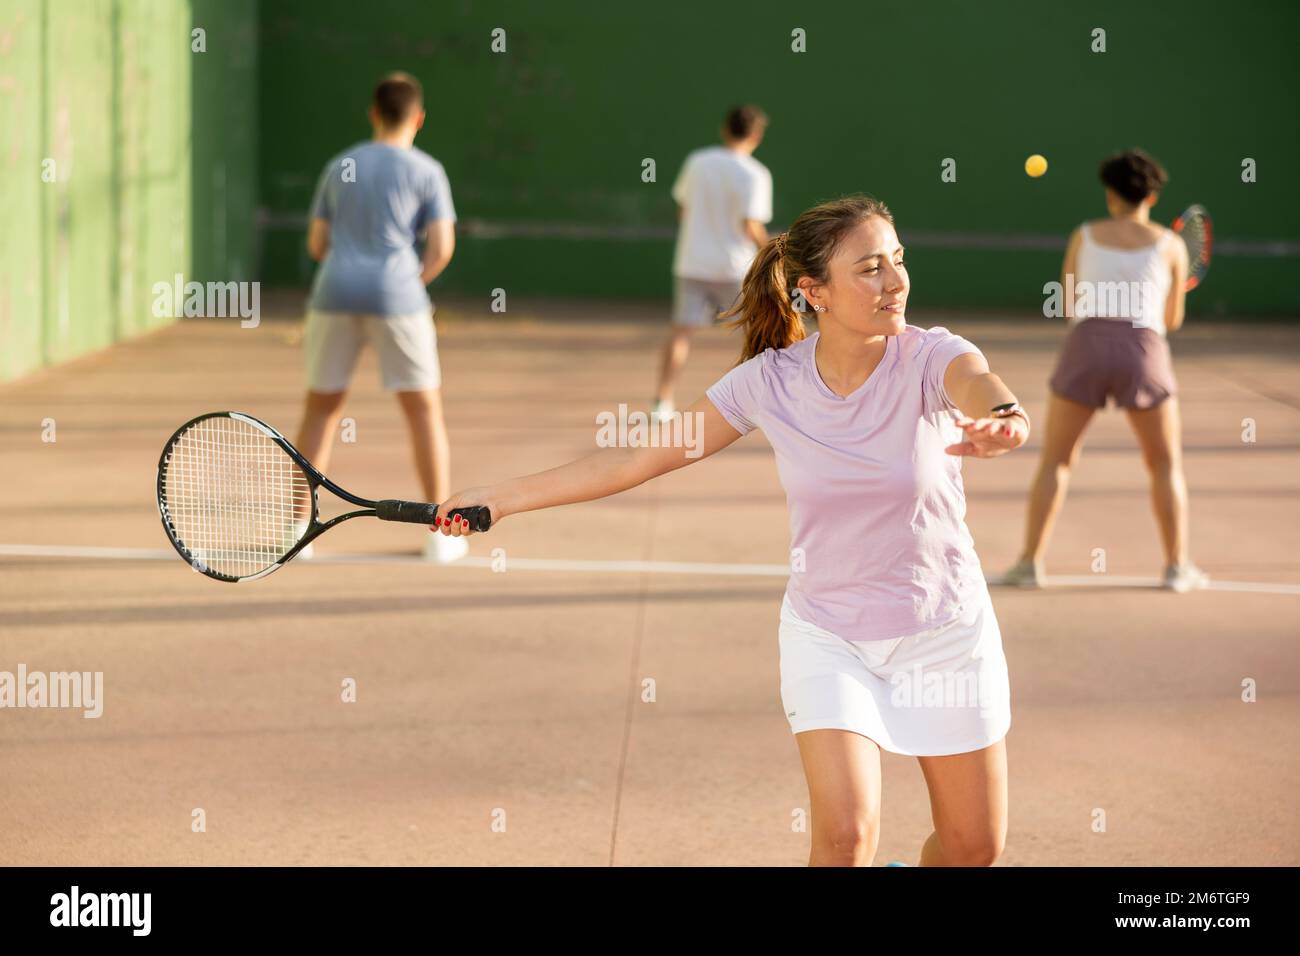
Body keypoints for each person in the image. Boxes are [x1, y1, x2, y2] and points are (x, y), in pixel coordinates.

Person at [434, 195, 1031, 866]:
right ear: (815, 292)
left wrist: (1006, 419)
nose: (894, 282)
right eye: (869, 268)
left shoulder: (932, 357)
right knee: (844, 839)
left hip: (944, 633)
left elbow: (980, 382)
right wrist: (501, 499)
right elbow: (640, 456)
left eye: (897, 261)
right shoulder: (769, 383)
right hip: (830, 634)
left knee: (973, 848)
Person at [1003, 148, 1209, 592]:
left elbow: (1070, 302)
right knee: (1164, 464)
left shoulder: (1084, 234)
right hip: (1144, 349)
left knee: (1056, 460)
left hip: (1086, 344)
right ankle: (1177, 568)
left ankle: (1029, 564)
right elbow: (1172, 321)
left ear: (1110, 194)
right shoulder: (1171, 245)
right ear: (1151, 196)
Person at [297, 72, 465, 563]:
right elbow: (441, 248)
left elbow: (316, 245)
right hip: (399, 297)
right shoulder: (427, 170)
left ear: (373, 112)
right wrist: (411, 280)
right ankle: (440, 533)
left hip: (333, 293)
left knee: (321, 409)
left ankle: (296, 530)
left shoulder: (339, 165)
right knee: (423, 411)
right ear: (418, 118)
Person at [651, 105, 773, 423]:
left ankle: (662, 402)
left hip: (692, 262)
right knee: (756, 334)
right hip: (735, 268)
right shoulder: (756, 174)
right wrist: (775, 252)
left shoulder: (697, 162)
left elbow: (684, 211)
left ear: (724, 129)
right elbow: (751, 226)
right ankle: (763, 403)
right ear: (757, 135)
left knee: (681, 333)